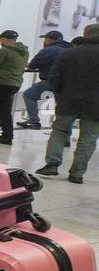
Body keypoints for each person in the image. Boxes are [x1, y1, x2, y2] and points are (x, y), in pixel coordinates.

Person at [36, 23, 99, 185]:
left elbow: (54, 78)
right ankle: (77, 173)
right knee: (88, 138)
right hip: (95, 105)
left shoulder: (68, 53)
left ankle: (52, 163)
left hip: (68, 100)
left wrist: (59, 94)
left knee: (59, 131)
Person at [18, 30, 72, 130]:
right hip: (68, 84)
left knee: (29, 94)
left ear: (49, 39)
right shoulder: (70, 49)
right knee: (61, 108)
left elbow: (33, 65)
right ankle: (64, 135)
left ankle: (33, 120)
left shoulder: (48, 50)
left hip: (51, 81)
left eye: (45, 39)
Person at [0, 30, 29, 145]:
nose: (0, 41)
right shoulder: (24, 51)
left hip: (4, 83)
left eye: (0, 38)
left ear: (5, 39)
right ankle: (2, 120)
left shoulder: (4, 51)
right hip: (16, 83)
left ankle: (7, 136)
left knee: (4, 111)